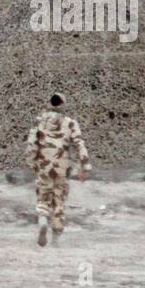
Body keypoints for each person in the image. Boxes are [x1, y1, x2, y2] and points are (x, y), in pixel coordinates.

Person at [24, 93, 92, 248]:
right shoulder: (70, 123)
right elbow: (79, 144)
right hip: (62, 167)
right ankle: (56, 239)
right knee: (59, 201)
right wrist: (85, 166)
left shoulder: (39, 121)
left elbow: (31, 144)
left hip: (44, 165)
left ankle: (42, 221)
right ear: (62, 104)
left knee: (43, 197)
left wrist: (32, 162)